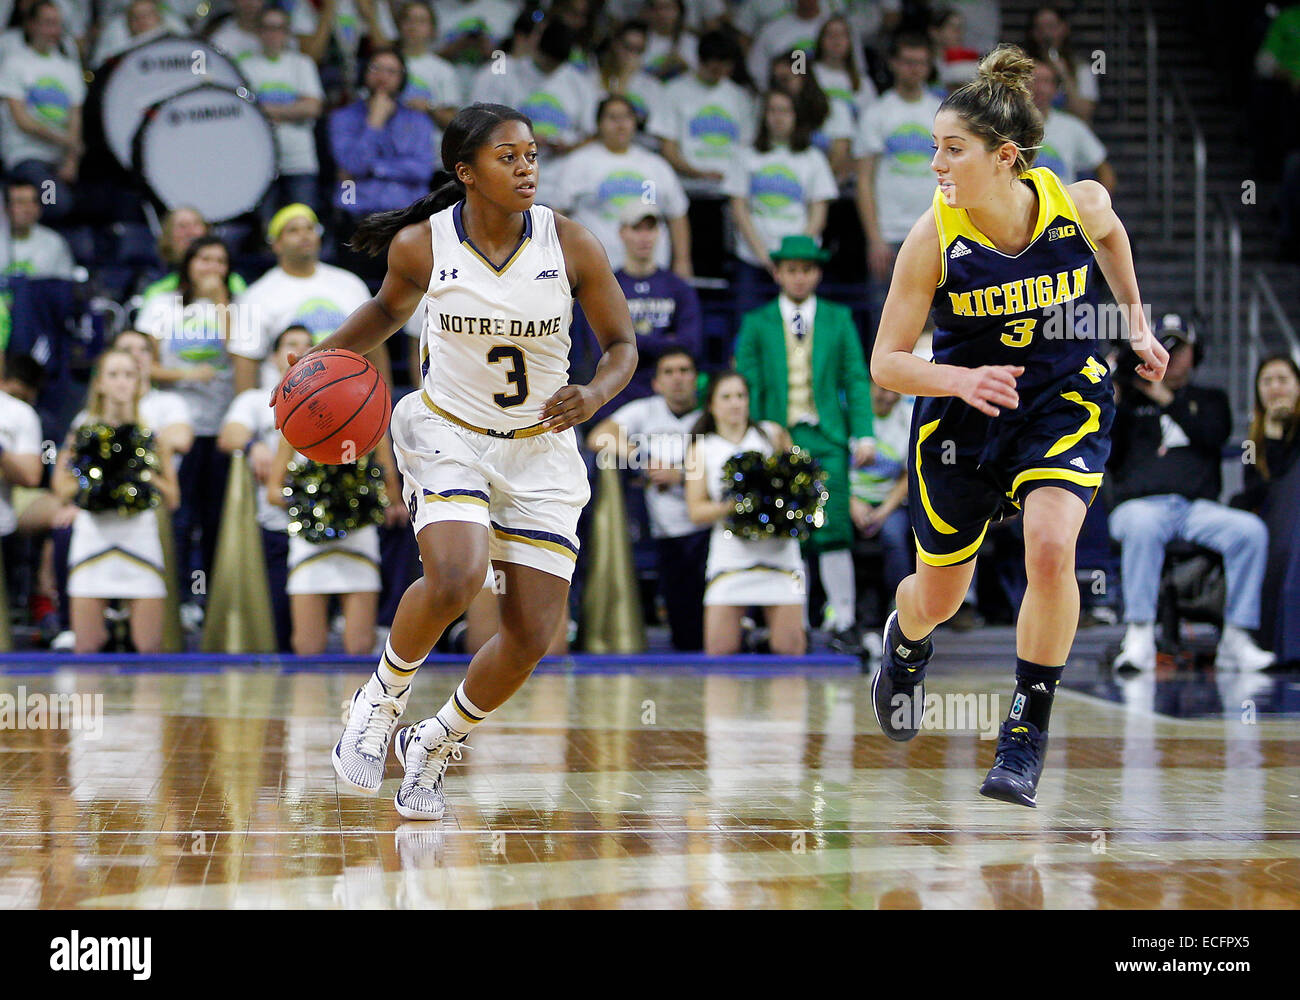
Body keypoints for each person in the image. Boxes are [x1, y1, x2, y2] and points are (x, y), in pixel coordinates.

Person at [274, 103, 636, 820]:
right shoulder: (422, 245)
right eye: (509, 157)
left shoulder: (572, 244)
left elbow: (623, 345)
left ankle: (435, 741)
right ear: (465, 173)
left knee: (533, 635)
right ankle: (381, 697)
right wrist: (322, 356)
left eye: (532, 154)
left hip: (540, 450)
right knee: (458, 573)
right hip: (449, 432)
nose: (527, 167)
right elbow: (384, 313)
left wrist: (593, 393)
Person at [867, 46, 1170, 808]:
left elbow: (1113, 240)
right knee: (939, 595)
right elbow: (887, 364)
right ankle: (904, 646)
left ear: (1005, 157)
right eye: (933, 146)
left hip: (1062, 392)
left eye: (952, 148)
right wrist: (960, 377)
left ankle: (1025, 730)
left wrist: (1134, 325)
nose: (936, 162)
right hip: (962, 410)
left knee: (1049, 544)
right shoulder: (931, 239)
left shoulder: (1080, 203)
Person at [1109, 315, 1276, 672]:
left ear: (1195, 354)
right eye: (1164, 345)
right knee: (1142, 524)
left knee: (1250, 531)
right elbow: (1108, 455)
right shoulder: (1127, 404)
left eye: (1180, 348)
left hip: (1196, 508)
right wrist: (1114, 396)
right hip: (1139, 507)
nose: (1172, 355)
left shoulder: (1210, 399)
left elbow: (1211, 435)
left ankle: (1236, 635)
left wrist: (1163, 396)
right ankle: (1138, 633)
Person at [734, 234, 874, 651]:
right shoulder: (756, 322)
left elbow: (855, 377)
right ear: (777, 273)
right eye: (791, 270)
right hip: (777, 436)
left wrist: (862, 432)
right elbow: (750, 380)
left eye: (807, 269)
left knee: (834, 528)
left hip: (828, 434)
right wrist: (758, 431)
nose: (799, 278)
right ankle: (787, 622)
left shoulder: (838, 318)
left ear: (818, 273)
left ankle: (842, 618)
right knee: (781, 531)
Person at [51, 349, 180, 653]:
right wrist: (95, 480)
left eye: (128, 375)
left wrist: (140, 476)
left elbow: (173, 498)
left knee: (148, 647)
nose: (121, 382)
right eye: (113, 374)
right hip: (93, 537)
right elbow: (60, 488)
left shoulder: (152, 437)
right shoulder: (81, 434)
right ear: (100, 384)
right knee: (88, 645)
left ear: (139, 383)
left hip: (140, 537)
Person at [134, 234, 239, 599]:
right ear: (188, 264)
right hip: (174, 427)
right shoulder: (162, 305)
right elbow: (143, 367)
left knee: (215, 521)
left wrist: (220, 301)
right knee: (178, 516)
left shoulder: (238, 307)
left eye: (220, 261)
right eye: (204, 259)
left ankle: (210, 603)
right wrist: (188, 375)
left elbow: (237, 348)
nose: (212, 268)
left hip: (220, 425)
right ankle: (173, 601)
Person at [588, 348, 707, 650]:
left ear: (696, 378)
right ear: (656, 383)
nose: (677, 378)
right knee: (685, 632)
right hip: (667, 533)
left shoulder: (709, 415)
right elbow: (599, 435)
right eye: (669, 372)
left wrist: (680, 476)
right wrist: (645, 460)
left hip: (709, 529)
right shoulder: (646, 411)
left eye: (684, 370)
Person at [684, 370, 806, 655]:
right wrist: (741, 504)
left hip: (780, 553)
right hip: (730, 555)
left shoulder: (772, 434)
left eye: (741, 396)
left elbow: (800, 485)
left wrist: (776, 504)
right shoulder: (700, 449)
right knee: (719, 651)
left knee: (789, 650)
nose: (735, 403)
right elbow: (696, 511)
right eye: (726, 397)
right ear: (711, 405)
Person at [218, 324, 313, 652]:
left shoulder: (330, 399)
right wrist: (253, 444)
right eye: (291, 344)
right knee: (276, 624)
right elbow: (227, 435)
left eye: (308, 345)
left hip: (321, 523)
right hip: (271, 523)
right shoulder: (256, 401)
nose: (300, 350)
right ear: (274, 356)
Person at [267, 429, 405, 656]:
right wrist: (315, 503)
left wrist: (352, 498)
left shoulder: (371, 429)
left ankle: (357, 693)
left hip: (358, 540)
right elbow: (272, 492)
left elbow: (391, 493)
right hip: (309, 543)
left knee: (360, 646)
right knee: (307, 647)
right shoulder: (295, 427)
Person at [230, 203, 388, 394]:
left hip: (350, 398)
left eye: (310, 228)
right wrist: (249, 408)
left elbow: (375, 347)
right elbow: (246, 361)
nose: (304, 235)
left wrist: (383, 397)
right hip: (288, 403)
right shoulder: (255, 296)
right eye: (293, 230)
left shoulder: (351, 284)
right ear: (276, 244)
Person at [546, 95, 692, 278]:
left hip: (650, 272)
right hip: (595, 272)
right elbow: (557, 215)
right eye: (612, 118)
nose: (620, 124)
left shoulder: (657, 165)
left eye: (626, 117)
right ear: (598, 124)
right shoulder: (578, 163)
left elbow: (677, 215)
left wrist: (682, 261)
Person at [579, 200, 701, 417]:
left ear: (659, 233)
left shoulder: (678, 288)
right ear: (622, 232)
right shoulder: (605, 287)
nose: (644, 236)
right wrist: (666, 343)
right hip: (617, 399)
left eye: (650, 228)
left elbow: (690, 346)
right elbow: (600, 351)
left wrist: (629, 342)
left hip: (669, 402)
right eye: (636, 228)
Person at [854, 34, 944, 324]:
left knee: (936, 322)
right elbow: (864, 180)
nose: (914, 69)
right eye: (907, 62)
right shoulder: (877, 112)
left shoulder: (943, 112)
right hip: (888, 236)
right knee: (885, 322)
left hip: (935, 231)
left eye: (920, 63)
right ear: (893, 64)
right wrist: (874, 238)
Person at [725, 92, 838, 316]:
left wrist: (791, 256)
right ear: (764, 116)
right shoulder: (745, 155)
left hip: (799, 266)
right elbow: (739, 210)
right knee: (749, 327)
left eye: (785, 111)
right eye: (773, 110)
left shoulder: (813, 158)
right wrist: (765, 257)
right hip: (752, 260)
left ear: (796, 116)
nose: (778, 117)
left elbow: (818, 213)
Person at [1233, 355, 1300, 665]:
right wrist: (1271, 434)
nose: (1275, 388)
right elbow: (1257, 491)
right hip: (1275, 523)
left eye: (1283, 380)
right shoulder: (1253, 441)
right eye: (1267, 381)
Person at [0, 0, 84, 222]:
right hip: (26, 157)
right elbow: (22, 121)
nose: (54, 31)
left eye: (57, 24)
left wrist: (71, 160)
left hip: (59, 160)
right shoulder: (14, 64)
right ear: (31, 25)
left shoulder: (69, 68)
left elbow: (75, 117)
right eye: (47, 23)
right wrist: (67, 142)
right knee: (55, 201)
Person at [241, 6, 325, 224]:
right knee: (267, 232)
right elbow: (243, 114)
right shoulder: (245, 66)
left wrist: (267, 110)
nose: (273, 34)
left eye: (279, 28)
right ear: (258, 31)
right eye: (267, 28)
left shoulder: (302, 64)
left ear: (288, 33)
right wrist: (293, 110)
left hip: (300, 160)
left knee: (305, 224)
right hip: (261, 161)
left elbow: (313, 107)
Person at [468, 20, 597, 158]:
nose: (549, 66)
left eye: (555, 64)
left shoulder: (580, 84)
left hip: (561, 167)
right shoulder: (500, 72)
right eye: (546, 59)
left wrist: (570, 148)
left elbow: (592, 134)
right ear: (535, 43)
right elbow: (477, 124)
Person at [850, 381, 913, 613]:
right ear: (868, 386)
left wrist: (883, 511)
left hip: (890, 502)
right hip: (850, 498)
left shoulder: (908, 418)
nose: (888, 397)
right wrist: (851, 502)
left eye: (895, 391)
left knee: (894, 535)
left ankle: (899, 603)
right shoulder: (851, 414)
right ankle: (836, 604)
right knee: (833, 533)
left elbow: (909, 475)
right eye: (882, 390)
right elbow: (832, 466)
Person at [1030, 59, 1115, 190]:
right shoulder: (1007, 126)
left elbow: (1106, 173)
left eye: (1046, 81)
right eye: (1034, 80)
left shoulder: (1072, 126)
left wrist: (1094, 206)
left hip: (1061, 207)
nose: (1040, 88)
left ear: (1055, 88)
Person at [1023, 4, 1098, 124]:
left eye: (1051, 27)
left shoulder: (1081, 68)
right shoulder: (1021, 68)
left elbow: (1084, 114)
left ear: (1064, 28)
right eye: (1040, 28)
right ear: (1033, 33)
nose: (1046, 34)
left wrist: (1064, 75)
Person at [1, 179, 74, 278]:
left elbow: (64, 286)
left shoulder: (53, 242)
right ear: (6, 207)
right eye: (20, 202)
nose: (28, 208)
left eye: (33, 202)